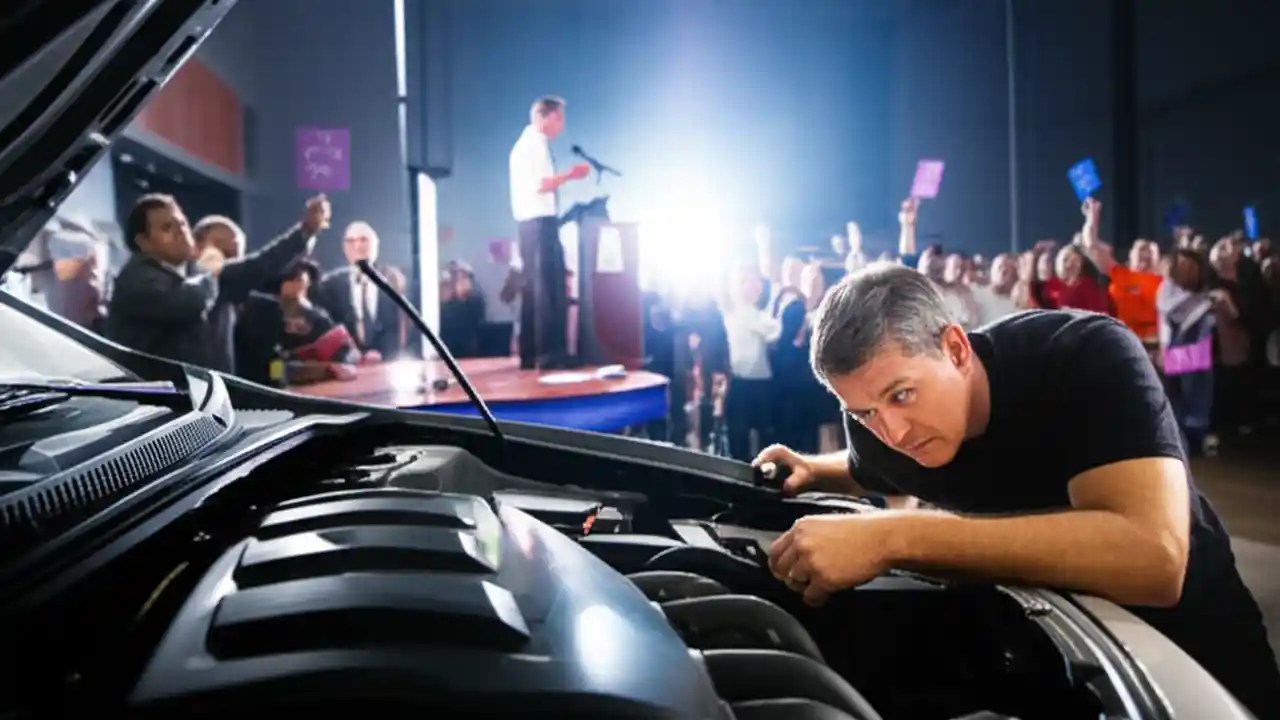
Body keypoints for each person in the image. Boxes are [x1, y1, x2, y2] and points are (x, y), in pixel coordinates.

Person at [755, 263, 1279, 717]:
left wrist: (893, 536)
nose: (892, 431)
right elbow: (868, 465)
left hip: (1195, 650)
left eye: (903, 394)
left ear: (955, 348)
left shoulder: (1084, 357)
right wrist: (814, 468)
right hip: (1060, 654)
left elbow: (1154, 558)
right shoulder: (884, 433)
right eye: (863, 413)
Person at [190, 194, 329, 374]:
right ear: (195, 247)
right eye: (221, 250)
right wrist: (305, 231)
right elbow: (263, 262)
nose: (227, 263)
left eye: (235, 257)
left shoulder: (265, 310)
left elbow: (274, 364)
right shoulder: (173, 291)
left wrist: (285, 385)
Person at [507, 95, 591, 369]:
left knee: (535, 289)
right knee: (549, 289)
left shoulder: (525, 144)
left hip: (529, 224)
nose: (561, 126)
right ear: (546, 116)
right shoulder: (534, 145)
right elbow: (541, 184)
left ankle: (531, 352)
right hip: (539, 222)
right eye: (559, 118)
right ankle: (550, 353)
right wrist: (570, 175)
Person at [314, 221, 402, 361]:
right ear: (343, 247)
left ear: (375, 245)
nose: (357, 246)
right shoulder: (330, 285)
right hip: (347, 368)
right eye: (350, 241)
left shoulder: (394, 281)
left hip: (390, 365)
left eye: (363, 240)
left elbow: (398, 327)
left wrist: (384, 354)